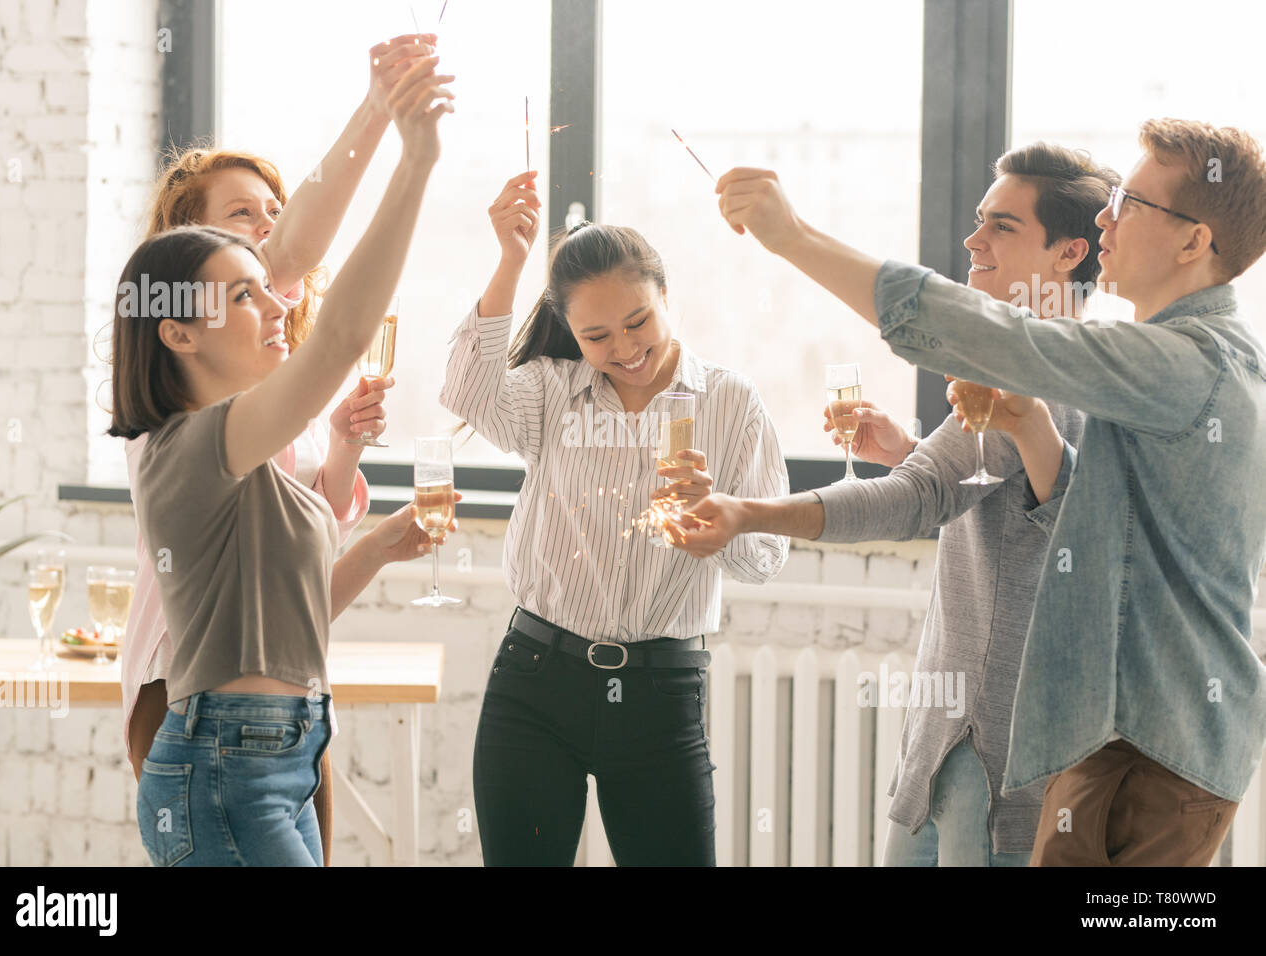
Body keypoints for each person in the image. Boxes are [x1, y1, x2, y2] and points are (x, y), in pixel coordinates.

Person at [700, 118, 1266, 866]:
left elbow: (993, 341)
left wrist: (794, 236)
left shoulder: (1175, 365)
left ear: (1194, 242)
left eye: (1130, 203)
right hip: (1128, 744)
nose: (1107, 219)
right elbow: (1082, 521)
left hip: (1144, 750)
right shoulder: (1195, 363)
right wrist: (966, 443)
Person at [671, 143, 1117, 865]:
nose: (973, 240)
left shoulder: (1039, 369)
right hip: (958, 742)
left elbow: (916, 502)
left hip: (989, 757)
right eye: (978, 220)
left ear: (1069, 254)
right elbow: (999, 502)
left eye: (1002, 226)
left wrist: (750, 513)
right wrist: (909, 448)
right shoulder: (1063, 361)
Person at [109, 53, 454, 865]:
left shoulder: (264, 448)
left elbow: (292, 612)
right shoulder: (190, 441)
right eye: (245, 290)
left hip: (282, 748)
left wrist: (380, 539)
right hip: (219, 754)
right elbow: (334, 334)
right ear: (176, 328)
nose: (277, 295)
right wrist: (412, 158)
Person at [440, 172, 789, 865]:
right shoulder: (552, 390)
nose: (626, 349)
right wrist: (511, 261)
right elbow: (466, 389)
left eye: (639, 322)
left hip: (661, 695)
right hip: (535, 684)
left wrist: (719, 516)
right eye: (596, 335)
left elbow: (766, 556)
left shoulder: (730, 402)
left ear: (666, 297)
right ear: (569, 330)